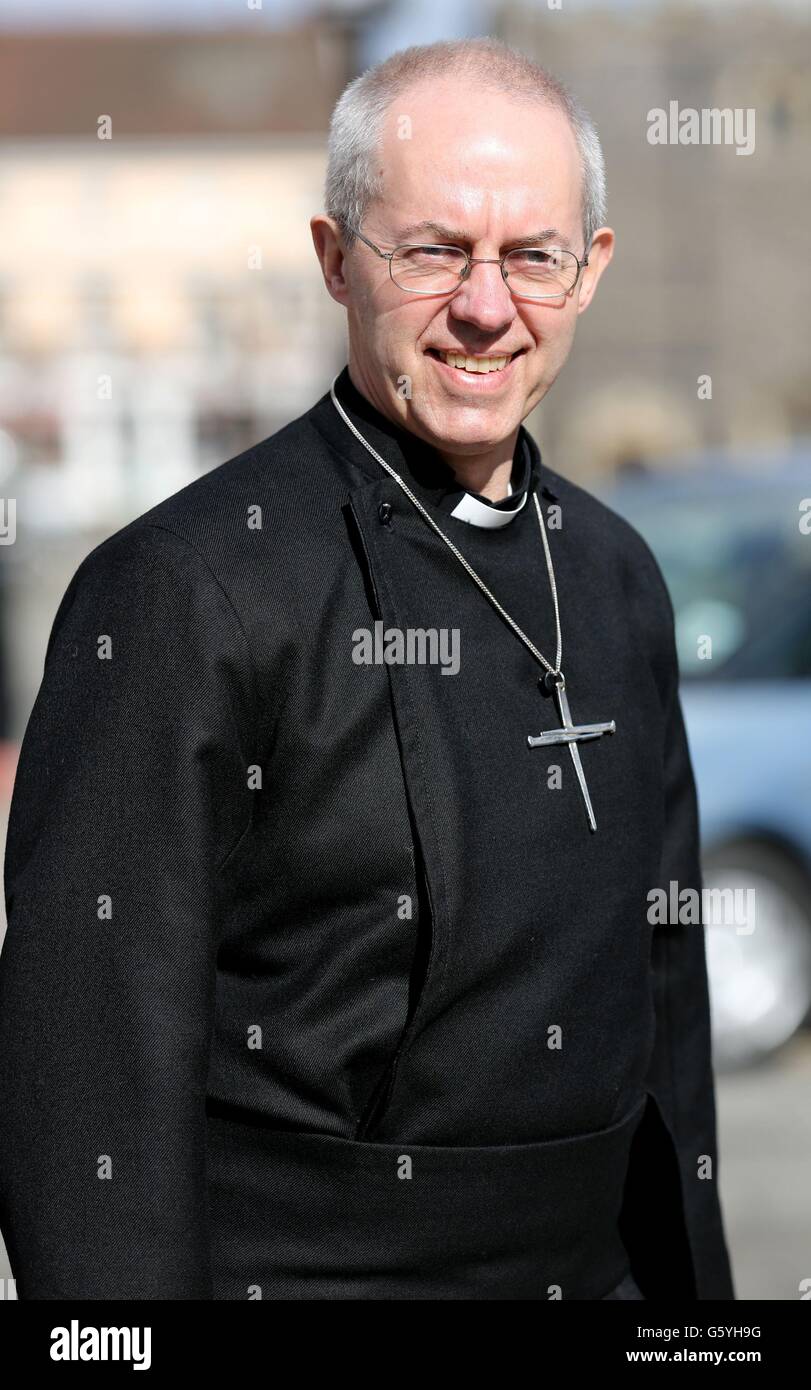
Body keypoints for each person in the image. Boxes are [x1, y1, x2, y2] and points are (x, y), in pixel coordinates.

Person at [0, 37, 735, 1301]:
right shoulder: (185, 592)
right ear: (337, 259)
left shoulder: (614, 577)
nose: (486, 306)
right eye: (434, 250)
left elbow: (667, 1019)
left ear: (590, 270)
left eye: (532, 256)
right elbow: (90, 1085)